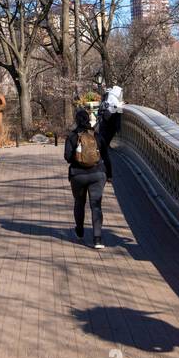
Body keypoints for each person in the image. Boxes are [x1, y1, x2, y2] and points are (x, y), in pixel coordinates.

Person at [65, 107, 107, 249]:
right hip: (97, 174)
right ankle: (97, 239)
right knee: (96, 205)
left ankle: (80, 231)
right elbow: (106, 156)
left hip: (78, 175)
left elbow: (67, 157)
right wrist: (110, 174)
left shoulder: (72, 136)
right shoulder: (96, 135)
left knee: (79, 203)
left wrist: (78, 157)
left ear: (76, 121)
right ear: (89, 120)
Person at [98, 84, 124, 182]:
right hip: (108, 127)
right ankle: (108, 175)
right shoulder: (113, 98)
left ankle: (105, 173)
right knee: (104, 151)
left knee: (103, 150)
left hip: (104, 126)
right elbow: (116, 107)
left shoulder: (108, 96)